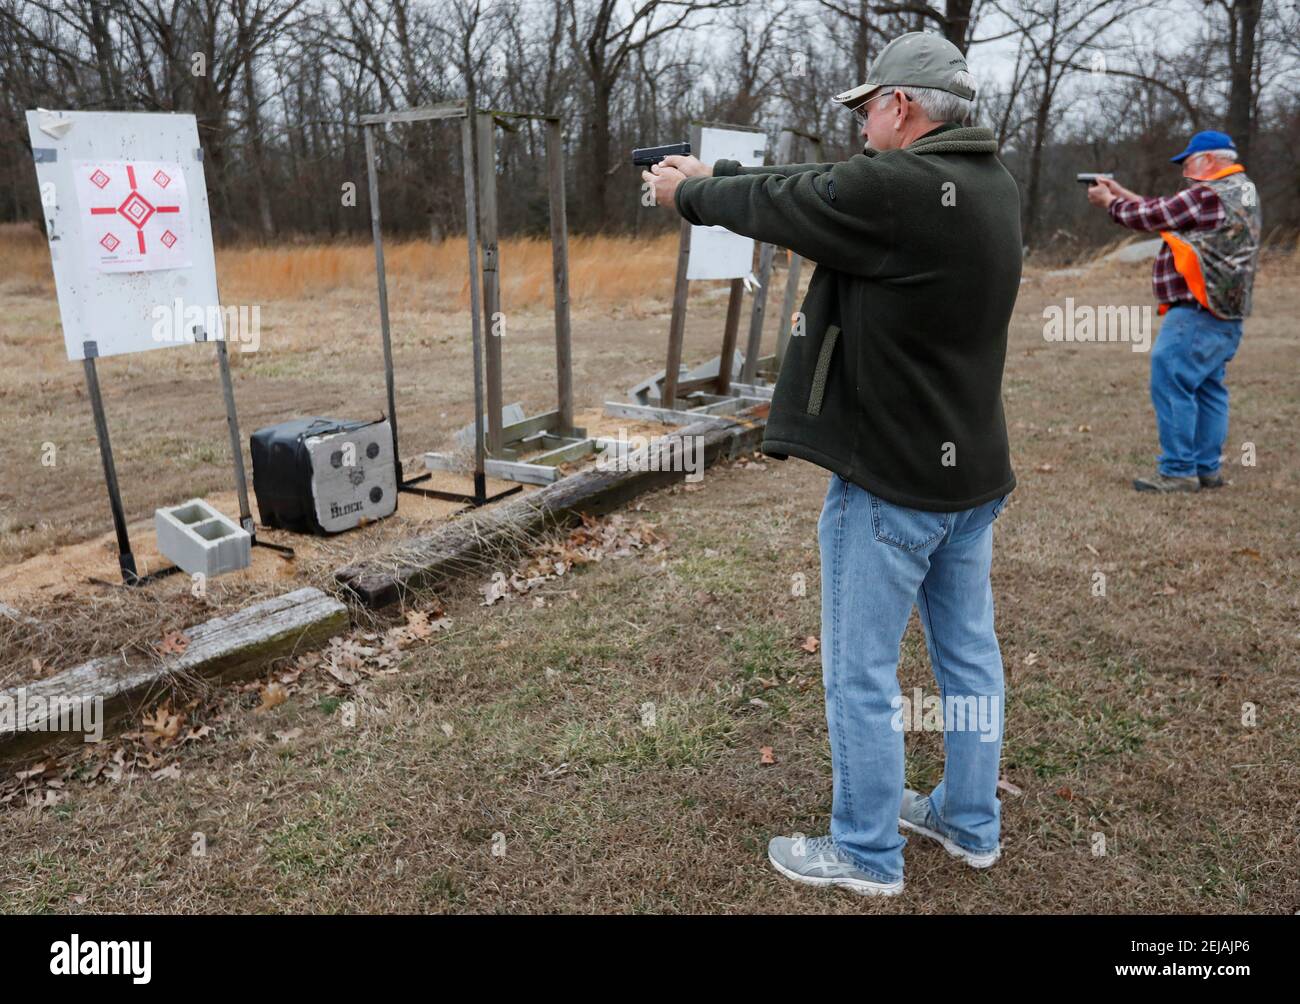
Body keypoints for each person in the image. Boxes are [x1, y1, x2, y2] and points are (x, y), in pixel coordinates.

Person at [642, 32, 1022, 896]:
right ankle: (969, 822)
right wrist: (714, 177)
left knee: (861, 672)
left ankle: (865, 852)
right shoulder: (990, 183)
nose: (860, 124)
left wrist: (688, 193)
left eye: (867, 106)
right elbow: (811, 191)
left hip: (892, 482)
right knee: (968, 658)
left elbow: (792, 201)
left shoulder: (897, 188)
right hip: (968, 478)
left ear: (901, 105)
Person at [1087, 131, 1261, 493]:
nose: (1185, 172)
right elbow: (1168, 213)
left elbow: (1153, 216)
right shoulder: (1241, 191)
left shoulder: (1209, 194)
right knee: (1209, 388)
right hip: (1225, 313)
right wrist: (1122, 194)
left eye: (1189, 163)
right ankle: (1206, 469)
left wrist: (1110, 203)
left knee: (1170, 379)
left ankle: (1179, 470)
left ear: (1209, 159)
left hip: (1195, 311)